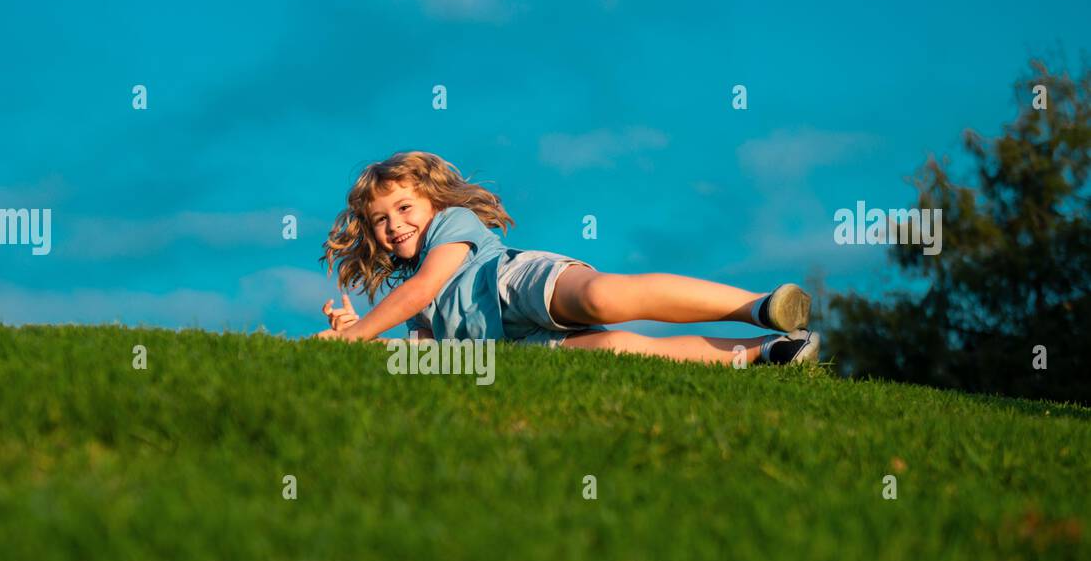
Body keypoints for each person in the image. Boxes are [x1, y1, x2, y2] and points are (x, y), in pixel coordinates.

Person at [315, 151, 820, 365]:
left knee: (602, 298)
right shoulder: (418, 314)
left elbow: (422, 288)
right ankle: (769, 352)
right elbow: (423, 356)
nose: (394, 224)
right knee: (618, 351)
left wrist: (357, 334)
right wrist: (357, 341)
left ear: (434, 203)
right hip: (515, 344)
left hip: (515, 283)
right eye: (380, 220)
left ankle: (760, 305)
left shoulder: (452, 228)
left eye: (404, 207)